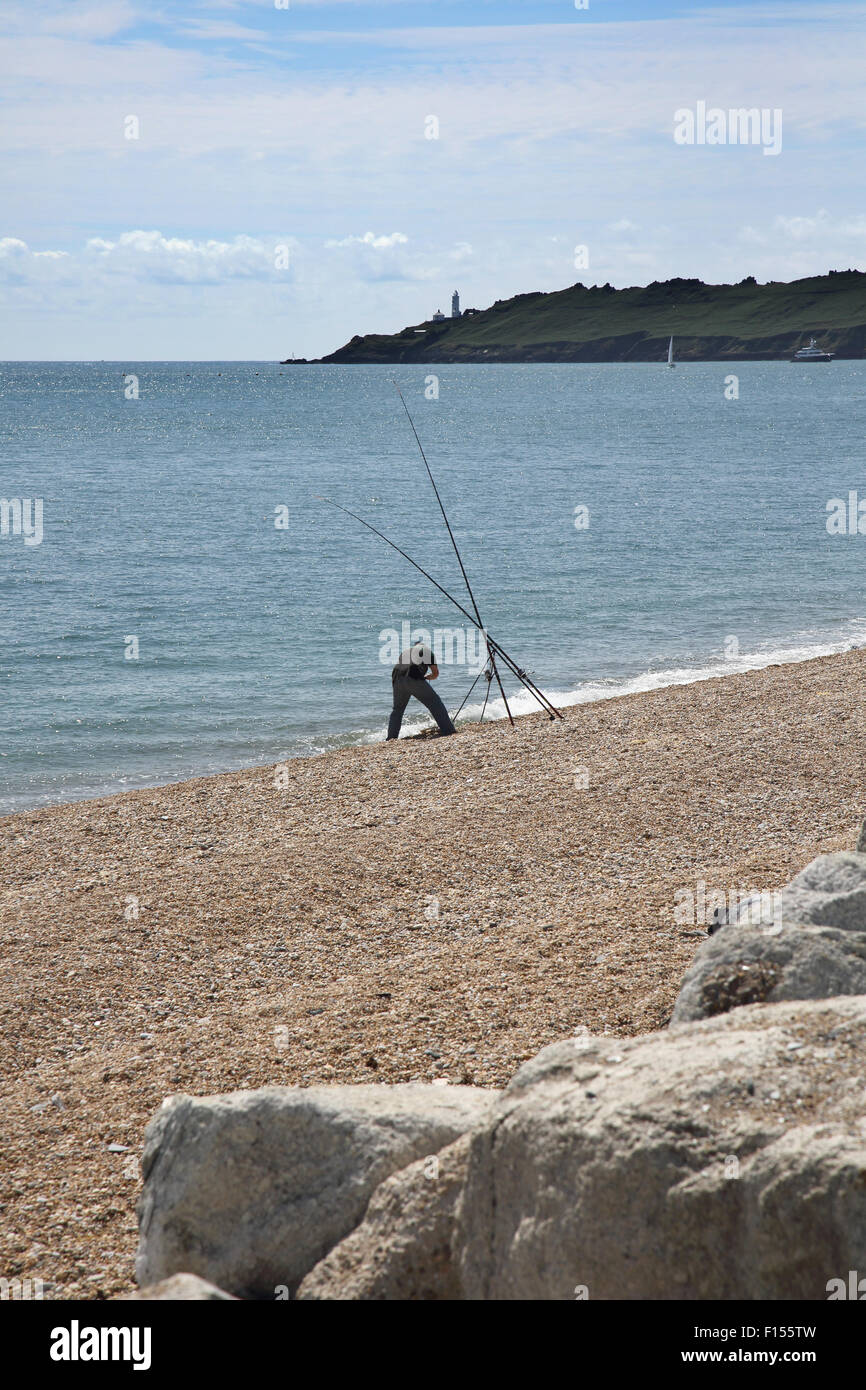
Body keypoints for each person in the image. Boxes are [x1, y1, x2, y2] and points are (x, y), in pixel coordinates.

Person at [387, 640, 456, 741]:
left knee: (398, 709)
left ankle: (391, 738)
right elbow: (435, 673)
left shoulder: (406, 651)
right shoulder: (426, 651)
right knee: (434, 702)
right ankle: (448, 730)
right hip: (412, 676)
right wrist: (428, 677)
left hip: (397, 677)